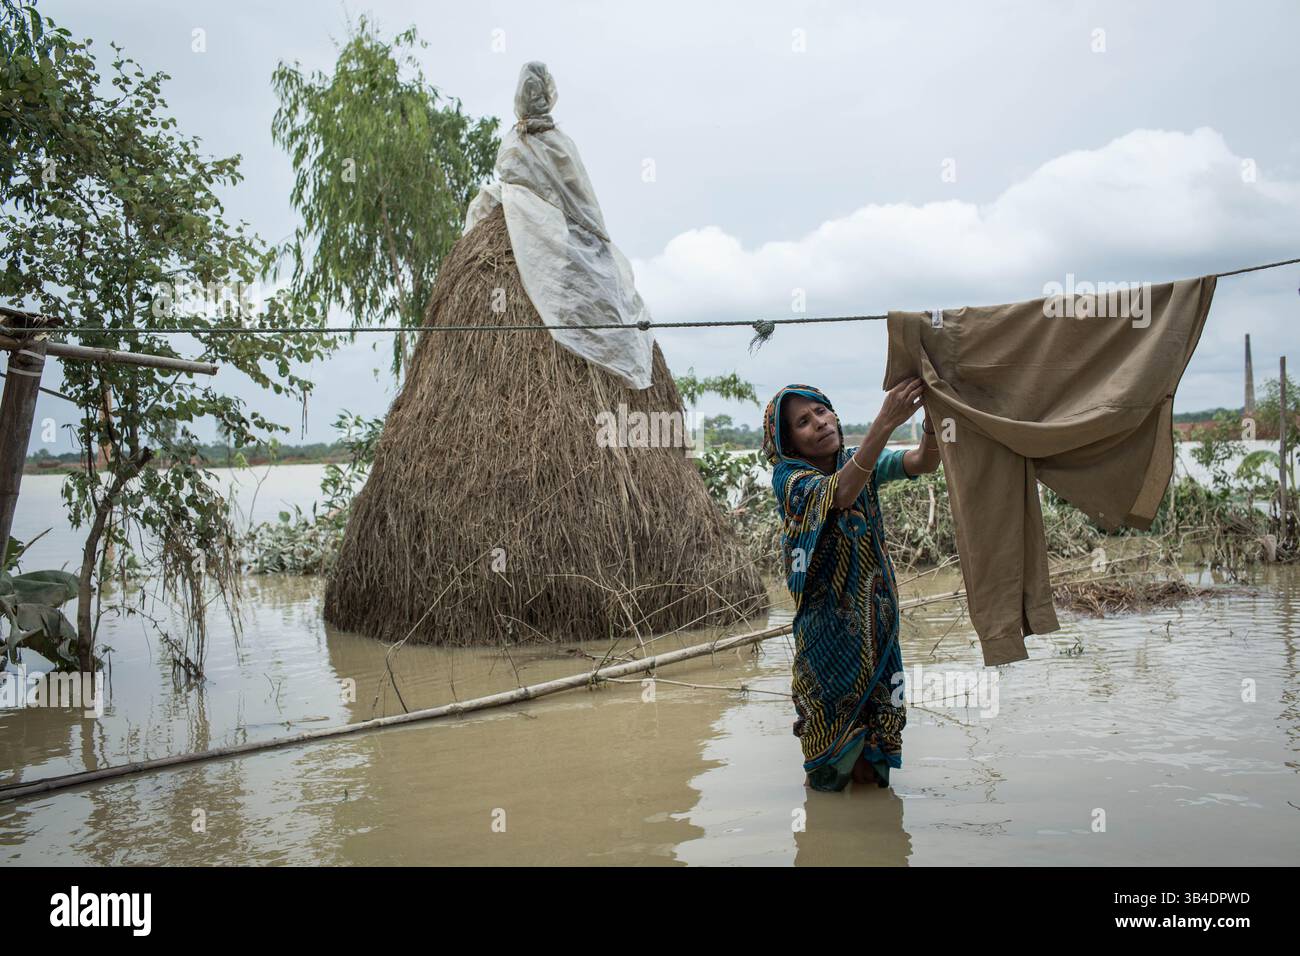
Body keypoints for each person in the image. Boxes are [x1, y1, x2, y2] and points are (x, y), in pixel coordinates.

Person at [761, 379, 941, 791]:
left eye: (821, 412)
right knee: (828, 772)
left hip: (879, 639)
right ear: (790, 443)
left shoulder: (862, 460)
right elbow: (841, 492)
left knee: (875, 774)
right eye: (803, 422)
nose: (819, 423)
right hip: (827, 649)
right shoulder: (791, 480)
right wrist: (887, 420)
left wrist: (932, 421)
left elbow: (923, 462)